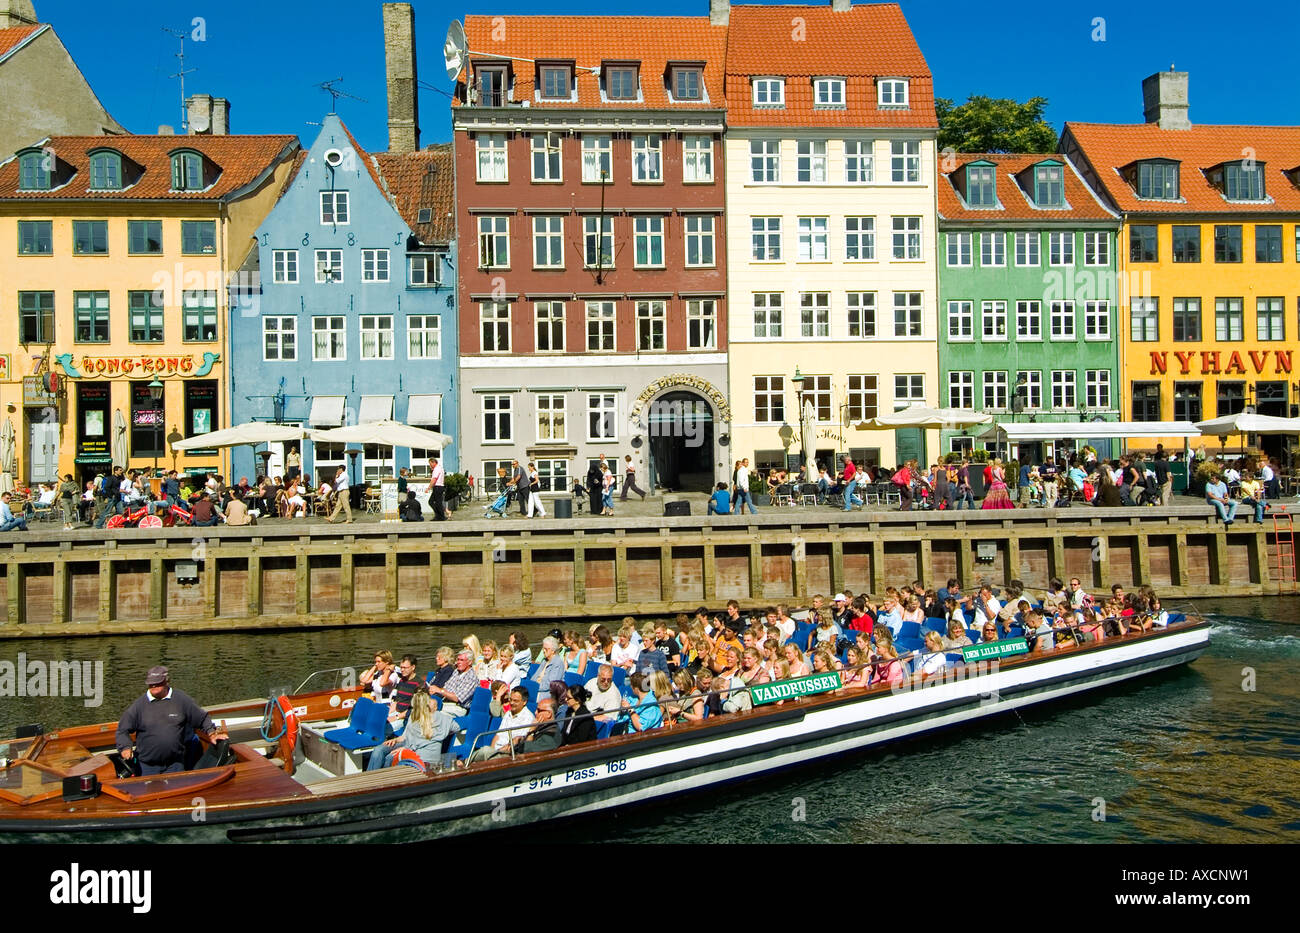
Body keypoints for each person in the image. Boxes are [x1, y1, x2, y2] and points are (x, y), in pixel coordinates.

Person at [114, 666, 228, 775]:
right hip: (147, 766)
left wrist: (212, 733)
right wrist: (125, 747)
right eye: (151, 684)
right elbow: (122, 730)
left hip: (175, 764)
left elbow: (202, 718)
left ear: (166, 681)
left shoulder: (181, 699)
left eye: (157, 683)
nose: (154, 686)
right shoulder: (139, 706)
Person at [366, 691, 455, 772]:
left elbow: (424, 740)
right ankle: (369, 777)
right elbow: (405, 736)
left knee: (390, 757)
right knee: (379, 749)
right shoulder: (413, 714)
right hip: (407, 741)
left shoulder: (439, 718)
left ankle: (382, 781)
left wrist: (407, 749)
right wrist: (395, 740)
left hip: (413, 747)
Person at [425, 457, 447, 521]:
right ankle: (439, 516)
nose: (430, 465)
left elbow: (434, 479)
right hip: (440, 487)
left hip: (437, 486)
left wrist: (429, 488)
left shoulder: (436, 469)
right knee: (436, 502)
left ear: (434, 462)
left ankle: (440, 516)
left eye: (430, 464)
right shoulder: (440, 468)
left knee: (434, 502)